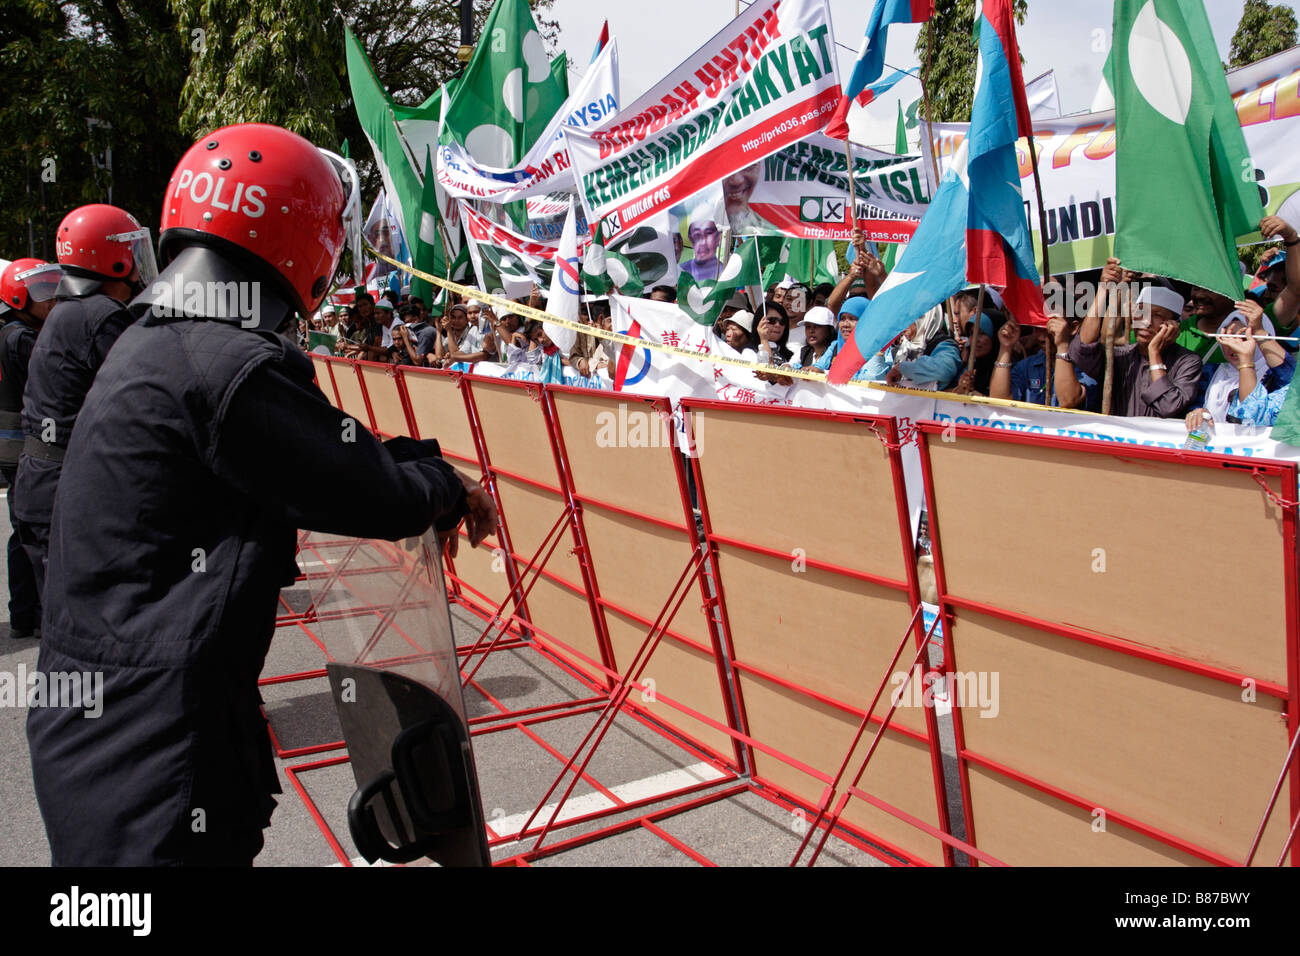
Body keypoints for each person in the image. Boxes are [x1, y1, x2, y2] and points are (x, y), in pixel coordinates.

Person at [26, 123, 498, 867]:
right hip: (156, 742)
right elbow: (374, 495)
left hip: (113, 723)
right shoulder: (227, 364)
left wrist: (424, 467)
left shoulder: (166, 340)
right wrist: (440, 485)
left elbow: (313, 455)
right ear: (304, 241)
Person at [14, 204, 154, 603]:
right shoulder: (102, 315)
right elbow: (143, 399)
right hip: (67, 489)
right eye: (131, 251)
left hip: (42, 480)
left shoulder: (67, 312)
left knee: (66, 632)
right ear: (113, 257)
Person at [0, 258, 62, 638]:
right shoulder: (21, 338)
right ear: (18, 297)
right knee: (33, 533)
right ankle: (34, 613)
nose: (52, 298)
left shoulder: (10, 332)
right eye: (42, 292)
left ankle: (24, 614)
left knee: (22, 531)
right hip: (21, 448)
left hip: (13, 450)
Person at [1068, 258, 1202, 418]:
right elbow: (1083, 348)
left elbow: (1168, 406)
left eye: (1157, 315)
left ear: (1172, 325)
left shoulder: (1188, 362)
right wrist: (1104, 288)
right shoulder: (1120, 356)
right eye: (1141, 312)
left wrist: (1154, 354)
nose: (1145, 321)